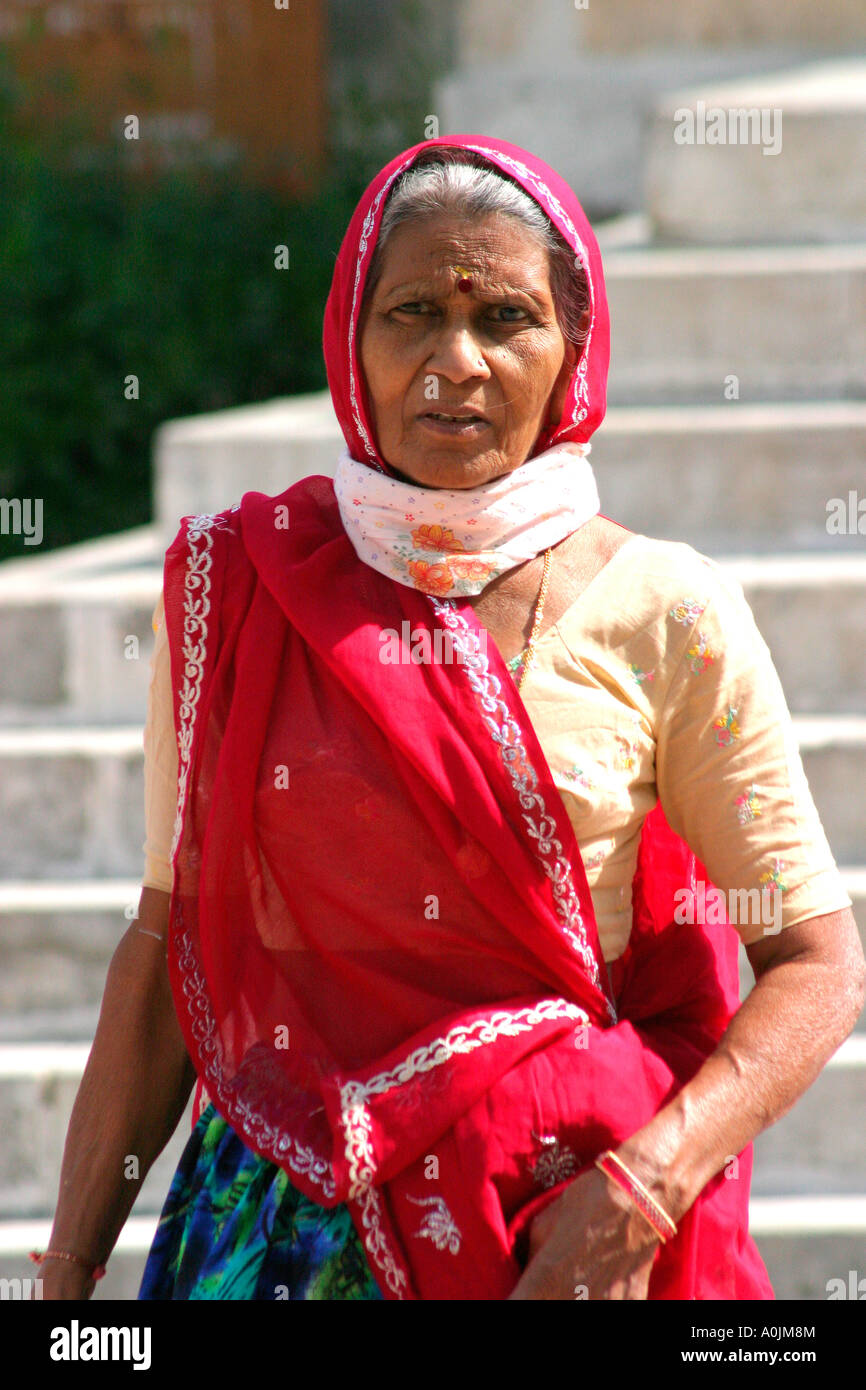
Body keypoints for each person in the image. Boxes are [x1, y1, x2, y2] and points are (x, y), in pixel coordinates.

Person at [36, 134, 864, 1302]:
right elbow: (168, 942)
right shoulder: (243, 589)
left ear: (573, 349)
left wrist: (644, 1189)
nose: (451, 362)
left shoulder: (665, 611)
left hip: (540, 1226)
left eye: (506, 319)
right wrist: (64, 1274)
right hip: (274, 1228)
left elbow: (817, 960)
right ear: (349, 341)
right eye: (410, 311)